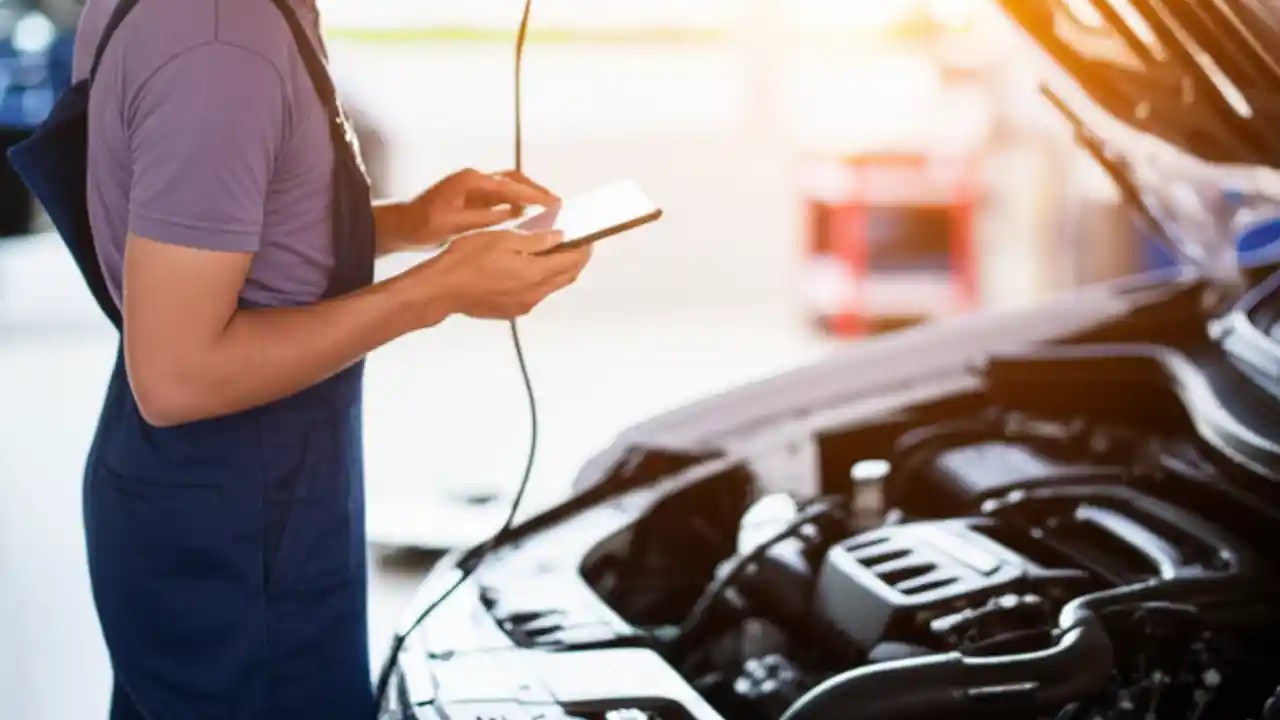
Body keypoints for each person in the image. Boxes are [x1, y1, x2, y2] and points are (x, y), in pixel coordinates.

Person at [71, 0, 592, 717]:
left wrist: (410, 223)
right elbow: (178, 377)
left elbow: (217, 238)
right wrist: (439, 288)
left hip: (240, 499)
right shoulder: (222, 44)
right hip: (234, 525)